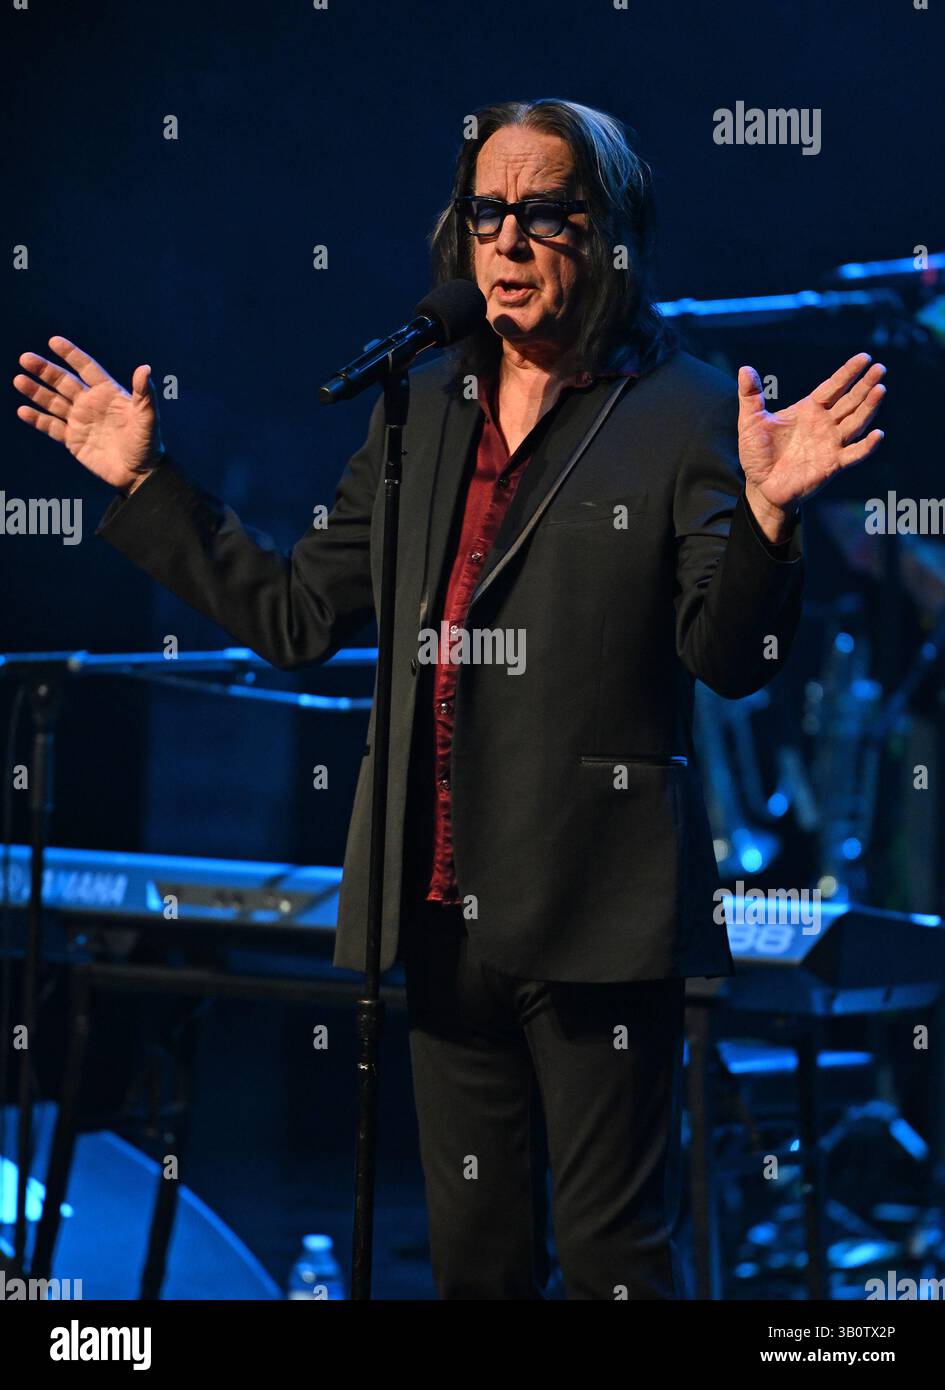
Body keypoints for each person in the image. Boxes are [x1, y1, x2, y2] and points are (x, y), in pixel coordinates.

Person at [13, 98, 886, 1300]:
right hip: (432, 913)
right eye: (487, 215)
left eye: (545, 216)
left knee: (614, 1261)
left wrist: (773, 522)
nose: (510, 244)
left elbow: (727, 655)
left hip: (597, 910)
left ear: (613, 232)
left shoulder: (685, 409)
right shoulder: (420, 408)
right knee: (476, 1269)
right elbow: (295, 615)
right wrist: (150, 483)